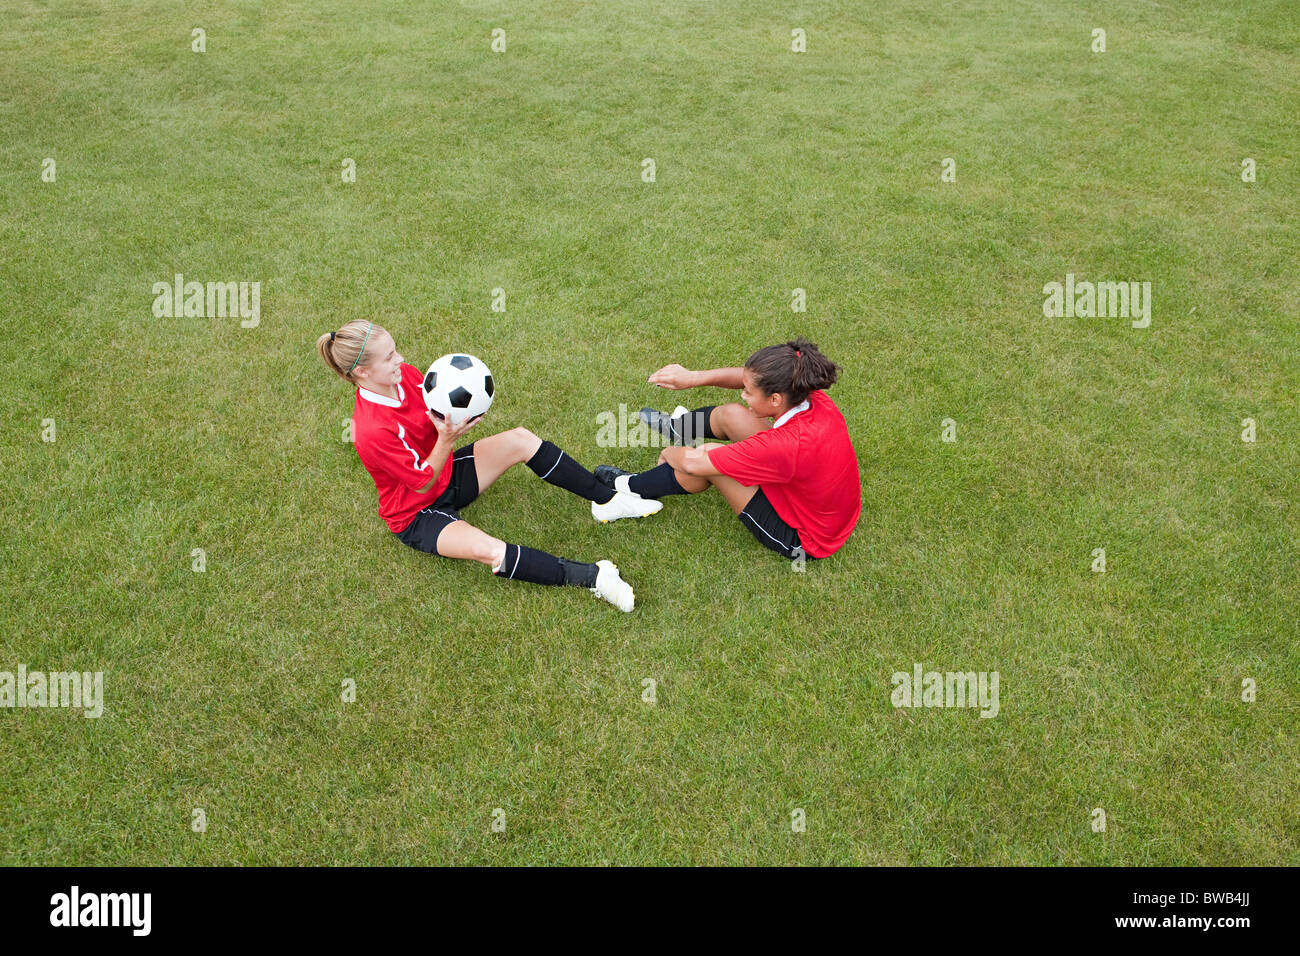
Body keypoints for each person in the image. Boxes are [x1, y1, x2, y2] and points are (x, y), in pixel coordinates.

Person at [318, 320, 661, 611]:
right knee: (491, 551)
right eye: (390, 356)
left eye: (396, 350)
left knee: (520, 439)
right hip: (417, 512)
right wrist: (448, 438)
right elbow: (421, 481)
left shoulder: (405, 376)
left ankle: (607, 500)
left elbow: (436, 410)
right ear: (362, 371)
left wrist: (458, 416)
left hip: (447, 474)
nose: (401, 359)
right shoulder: (370, 430)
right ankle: (595, 577)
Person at [595, 338, 860, 561]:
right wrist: (692, 378)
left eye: (748, 392)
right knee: (732, 415)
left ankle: (626, 488)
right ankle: (679, 428)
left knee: (707, 460)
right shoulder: (810, 396)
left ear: (775, 399)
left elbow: (694, 464)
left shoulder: (783, 446)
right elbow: (750, 377)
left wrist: (671, 453)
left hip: (806, 537)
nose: (743, 394)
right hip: (817, 503)